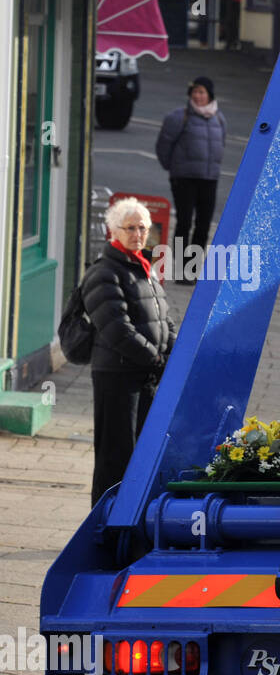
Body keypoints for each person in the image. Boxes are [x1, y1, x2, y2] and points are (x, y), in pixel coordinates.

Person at [83, 197, 176, 504]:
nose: (138, 234)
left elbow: (162, 317)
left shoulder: (143, 266)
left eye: (143, 228)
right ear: (114, 231)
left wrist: (174, 350)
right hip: (117, 376)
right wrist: (156, 357)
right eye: (130, 228)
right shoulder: (105, 271)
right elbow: (115, 327)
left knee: (137, 456)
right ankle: (103, 523)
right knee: (115, 457)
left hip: (144, 375)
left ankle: (128, 524)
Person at [155, 76, 227, 265]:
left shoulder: (219, 119)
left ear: (209, 95)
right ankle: (180, 267)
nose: (198, 96)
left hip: (209, 179)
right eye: (195, 92)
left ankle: (192, 267)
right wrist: (173, 168)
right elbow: (163, 146)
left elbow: (222, 144)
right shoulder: (178, 117)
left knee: (203, 225)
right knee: (184, 222)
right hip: (184, 179)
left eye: (202, 92)